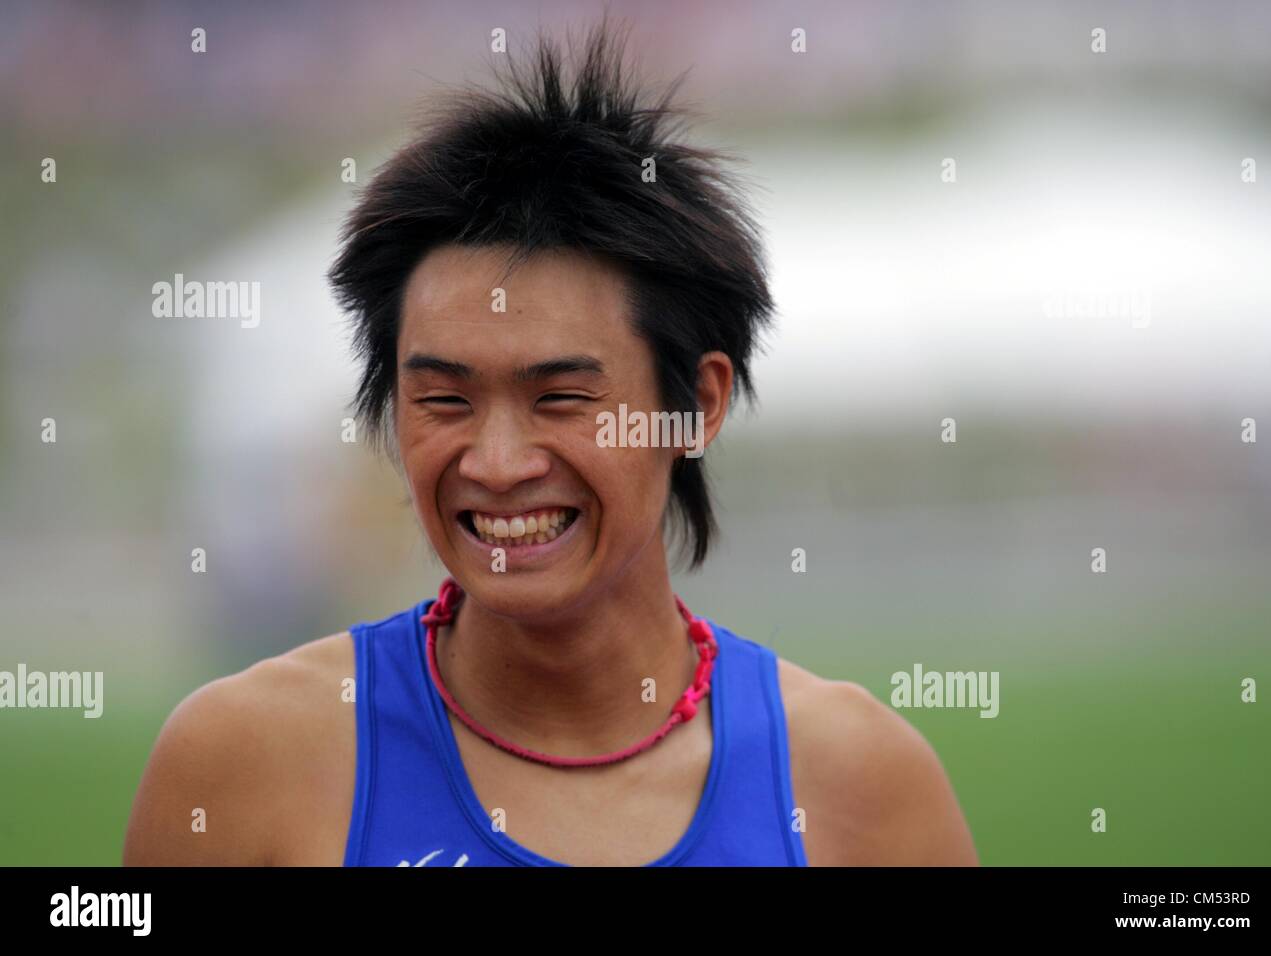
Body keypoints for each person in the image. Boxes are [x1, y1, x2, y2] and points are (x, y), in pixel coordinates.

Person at [123, 17, 977, 867]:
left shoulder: (859, 784)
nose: (496, 464)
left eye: (562, 397)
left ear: (698, 404)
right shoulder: (244, 761)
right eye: (444, 399)